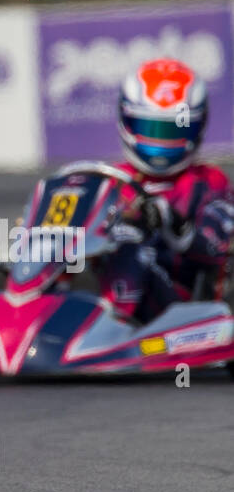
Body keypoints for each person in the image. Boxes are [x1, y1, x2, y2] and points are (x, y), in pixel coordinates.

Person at [100, 58, 233, 322]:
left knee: (134, 251)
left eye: (173, 129)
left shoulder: (208, 182)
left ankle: (115, 325)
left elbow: (215, 246)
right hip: (101, 297)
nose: (160, 140)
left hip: (176, 315)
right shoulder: (106, 180)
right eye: (150, 128)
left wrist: (166, 219)